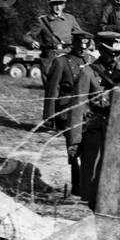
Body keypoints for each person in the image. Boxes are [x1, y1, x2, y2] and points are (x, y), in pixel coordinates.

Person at [67, 32, 120, 211]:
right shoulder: (88, 72)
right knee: (95, 178)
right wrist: (74, 140)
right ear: (100, 50)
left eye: (118, 53)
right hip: (96, 132)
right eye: (110, 52)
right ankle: (96, 210)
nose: (114, 57)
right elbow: (77, 107)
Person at [43, 29, 94, 197]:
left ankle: (89, 187)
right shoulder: (61, 62)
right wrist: (50, 116)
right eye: (80, 46)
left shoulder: (92, 61)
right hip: (68, 110)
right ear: (74, 44)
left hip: (90, 110)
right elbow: (52, 89)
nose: (82, 49)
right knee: (74, 148)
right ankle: (78, 188)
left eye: (85, 47)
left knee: (90, 148)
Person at [24, 0, 83, 88]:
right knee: (51, 89)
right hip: (51, 56)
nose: (58, 7)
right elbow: (27, 36)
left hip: (68, 55)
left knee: (69, 87)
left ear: (64, 5)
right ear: (50, 5)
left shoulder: (70, 19)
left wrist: (89, 42)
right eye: (55, 4)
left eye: (60, 3)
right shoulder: (42, 21)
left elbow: (80, 35)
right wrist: (31, 42)